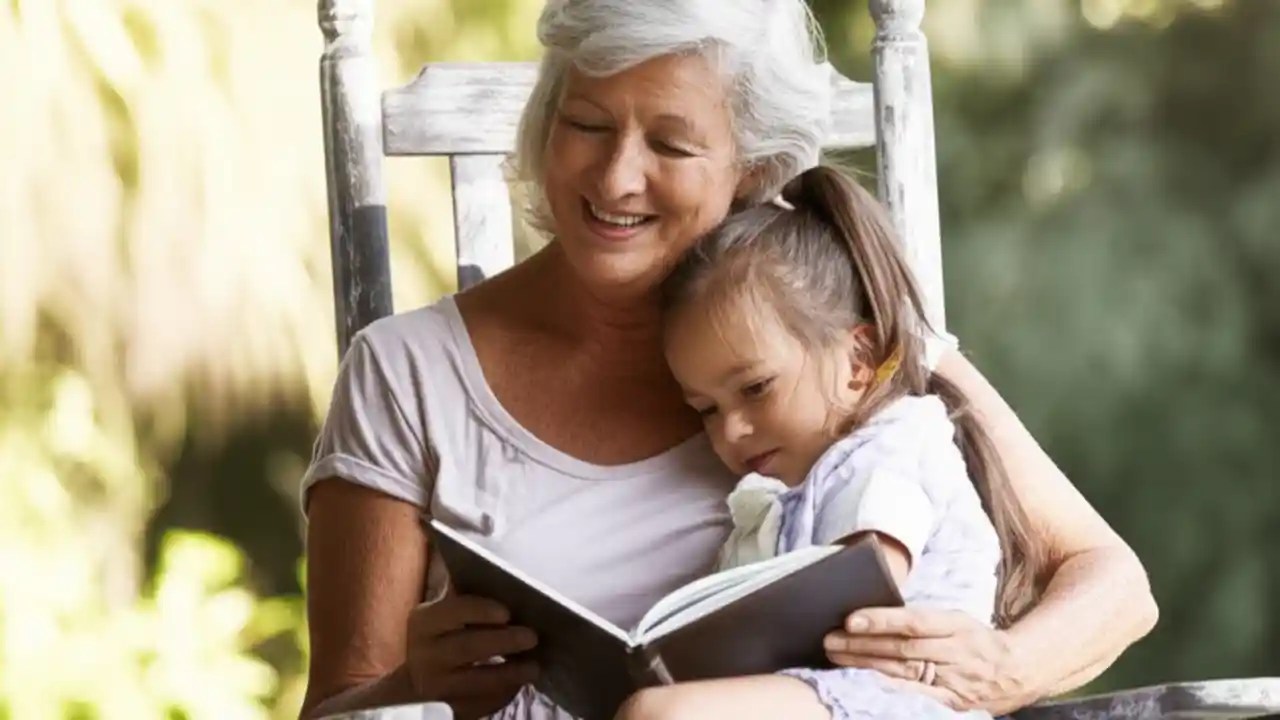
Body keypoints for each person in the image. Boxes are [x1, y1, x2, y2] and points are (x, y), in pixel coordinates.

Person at [299, 1, 1158, 719]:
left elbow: (1113, 585)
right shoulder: (406, 373)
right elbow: (337, 705)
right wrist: (415, 686)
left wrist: (995, 668)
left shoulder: (837, 339)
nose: (616, 178)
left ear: (752, 170)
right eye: (587, 124)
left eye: (670, 146)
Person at [634, 164, 1039, 720]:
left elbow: (863, 583)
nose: (731, 429)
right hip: (834, 695)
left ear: (858, 360)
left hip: (893, 700)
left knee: (661, 716)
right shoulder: (796, 487)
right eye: (706, 410)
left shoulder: (890, 446)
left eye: (755, 388)